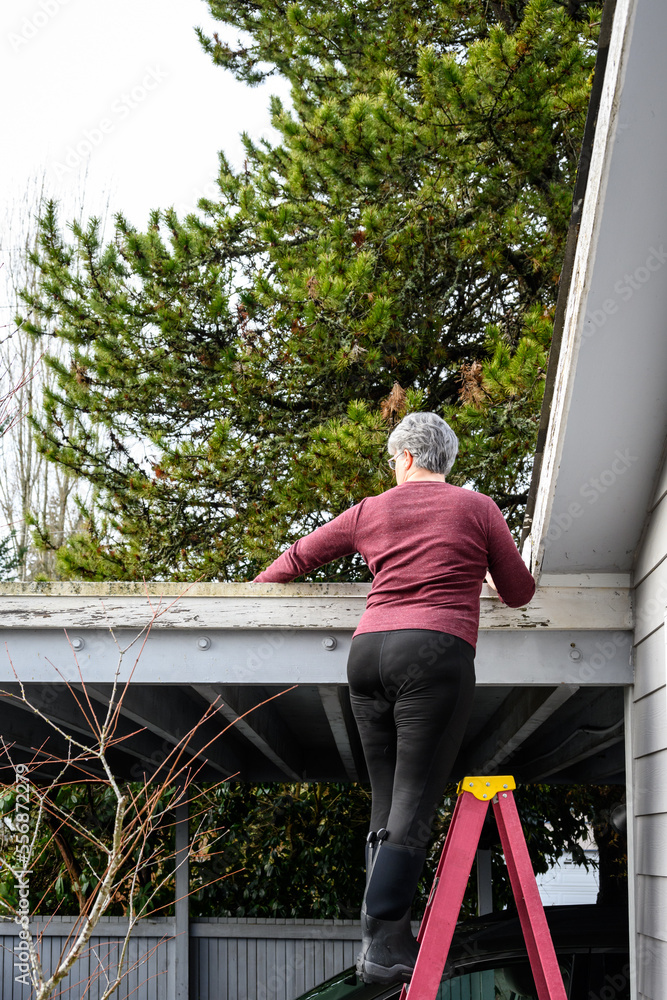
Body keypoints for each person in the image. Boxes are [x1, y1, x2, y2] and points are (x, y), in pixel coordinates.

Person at [253, 411, 535, 985]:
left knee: (387, 799)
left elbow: (300, 556)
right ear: (442, 461)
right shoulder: (478, 509)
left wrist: (254, 592)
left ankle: (383, 940)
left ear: (406, 458)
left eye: (392, 459)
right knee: (413, 799)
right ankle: (384, 940)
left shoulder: (370, 510)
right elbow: (519, 591)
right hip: (434, 655)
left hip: (367, 654)